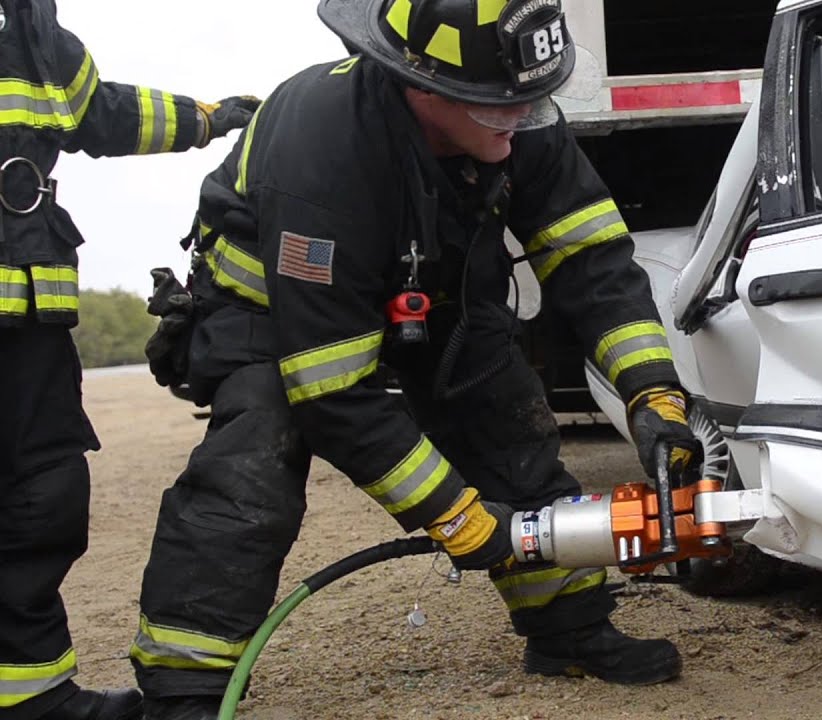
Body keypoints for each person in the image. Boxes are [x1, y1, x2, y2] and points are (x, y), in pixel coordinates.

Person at [132, 0, 702, 717]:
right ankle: (184, 688)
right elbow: (334, 392)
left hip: (432, 299)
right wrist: (456, 515)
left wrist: (652, 393)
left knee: (511, 435)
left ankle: (570, 630)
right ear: (422, 86)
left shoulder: (518, 115)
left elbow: (591, 262)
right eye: (503, 107)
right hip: (273, 315)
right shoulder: (322, 146)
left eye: (534, 97)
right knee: (251, 472)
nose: (524, 118)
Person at [0, 2, 260, 720]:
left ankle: (28, 694)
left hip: (27, 320)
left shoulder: (33, 32)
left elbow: (104, 113)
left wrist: (212, 117)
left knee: (42, 499)